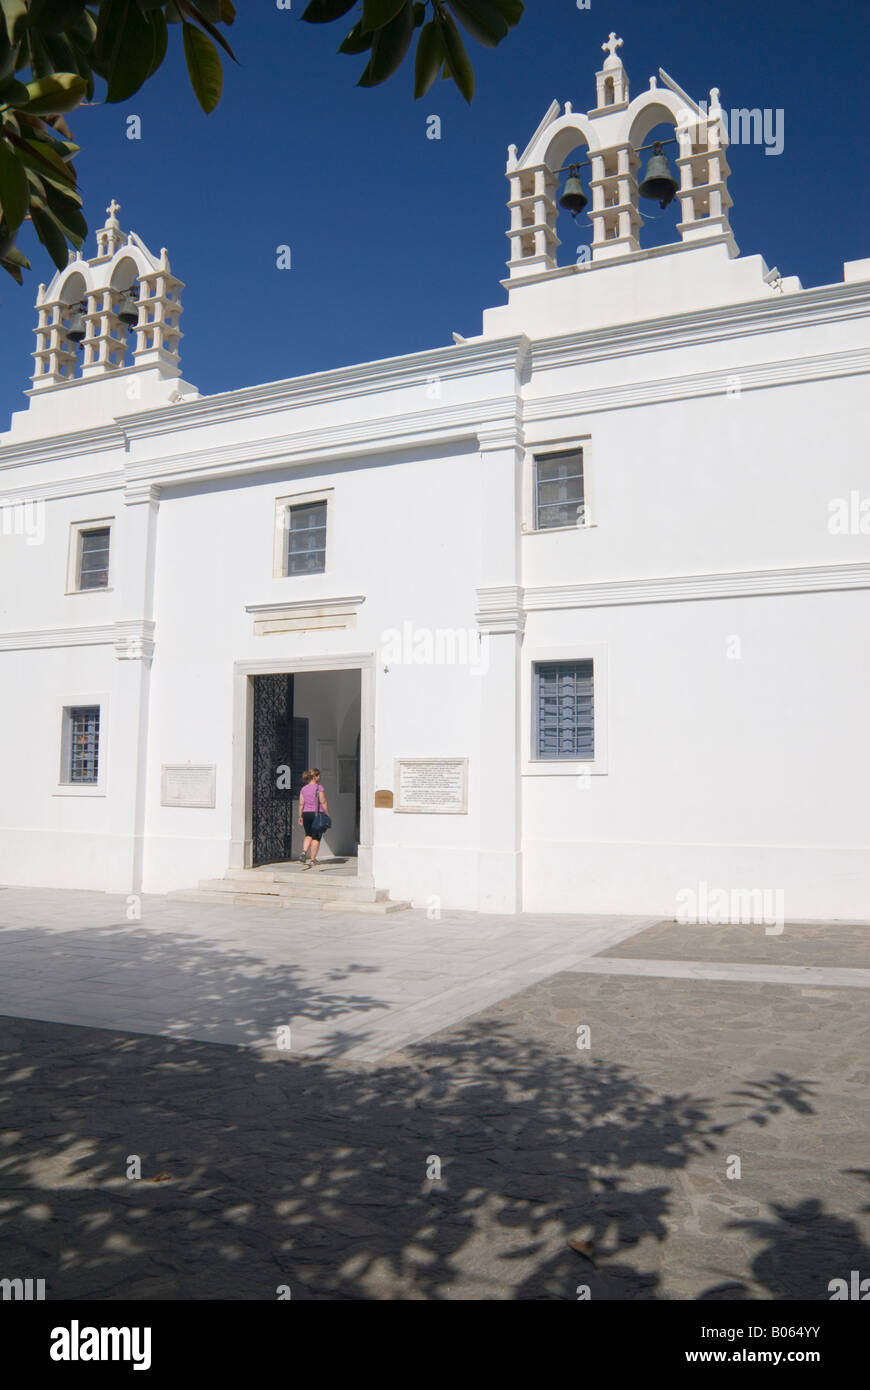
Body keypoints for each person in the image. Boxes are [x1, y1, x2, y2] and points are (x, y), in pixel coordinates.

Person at [298, 768, 328, 869]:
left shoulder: (303, 789)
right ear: (314, 777)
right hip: (316, 814)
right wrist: (326, 814)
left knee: (308, 834)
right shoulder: (319, 788)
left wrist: (300, 816)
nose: (319, 777)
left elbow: (301, 804)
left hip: (306, 814)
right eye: (318, 775)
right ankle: (312, 859)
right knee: (316, 838)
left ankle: (304, 852)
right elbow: (323, 802)